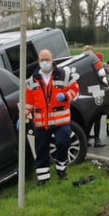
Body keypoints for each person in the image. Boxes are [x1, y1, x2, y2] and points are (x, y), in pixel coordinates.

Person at [25, 48, 80, 183]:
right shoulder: (32, 80)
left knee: (62, 143)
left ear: (52, 60)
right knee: (41, 150)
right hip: (41, 122)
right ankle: (43, 178)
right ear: (39, 61)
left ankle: (61, 169)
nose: (45, 62)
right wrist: (23, 116)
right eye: (42, 60)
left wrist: (66, 96)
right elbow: (28, 102)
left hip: (60, 120)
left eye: (47, 60)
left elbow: (75, 90)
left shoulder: (64, 75)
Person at [82, 45, 106, 147]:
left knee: (97, 117)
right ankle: (86, 139)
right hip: (88, 92)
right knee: (89, 118)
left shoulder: (96, 65)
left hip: (97, 91)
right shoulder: (83, 67)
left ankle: (96, 139)